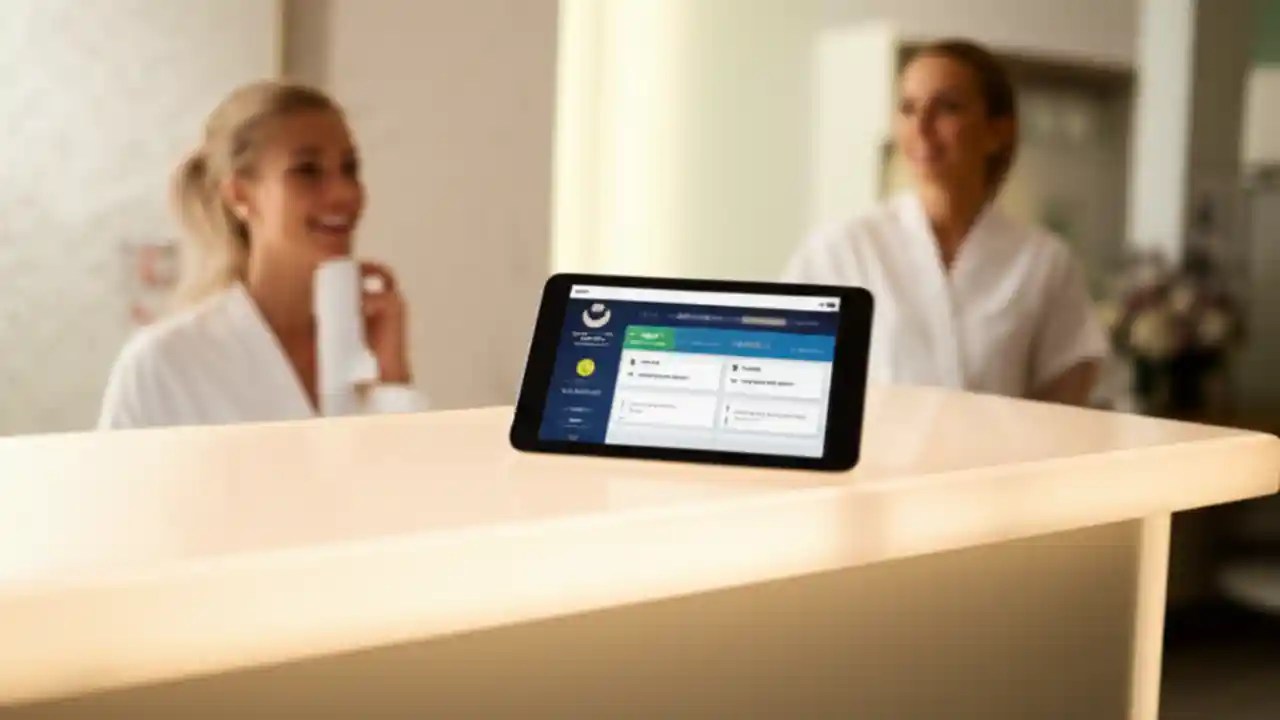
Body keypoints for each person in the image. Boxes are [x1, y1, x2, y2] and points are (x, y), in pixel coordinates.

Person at [785, 40, 1106, 405]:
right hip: (874, 462)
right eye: (908, 108)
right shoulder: (840, 248)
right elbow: (788, 382)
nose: (921, 125)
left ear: (997, 131)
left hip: (1000, 462)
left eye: (947, 108)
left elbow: (1064, 402)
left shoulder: (1044, 261)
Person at [99, 81, 425, 429]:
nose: (343, 193)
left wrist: (393, 378)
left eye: (350, 169)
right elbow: (119, 485)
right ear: (240, 195)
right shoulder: (164, 364)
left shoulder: (367, 352)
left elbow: (407, 478)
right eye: (307, 171)